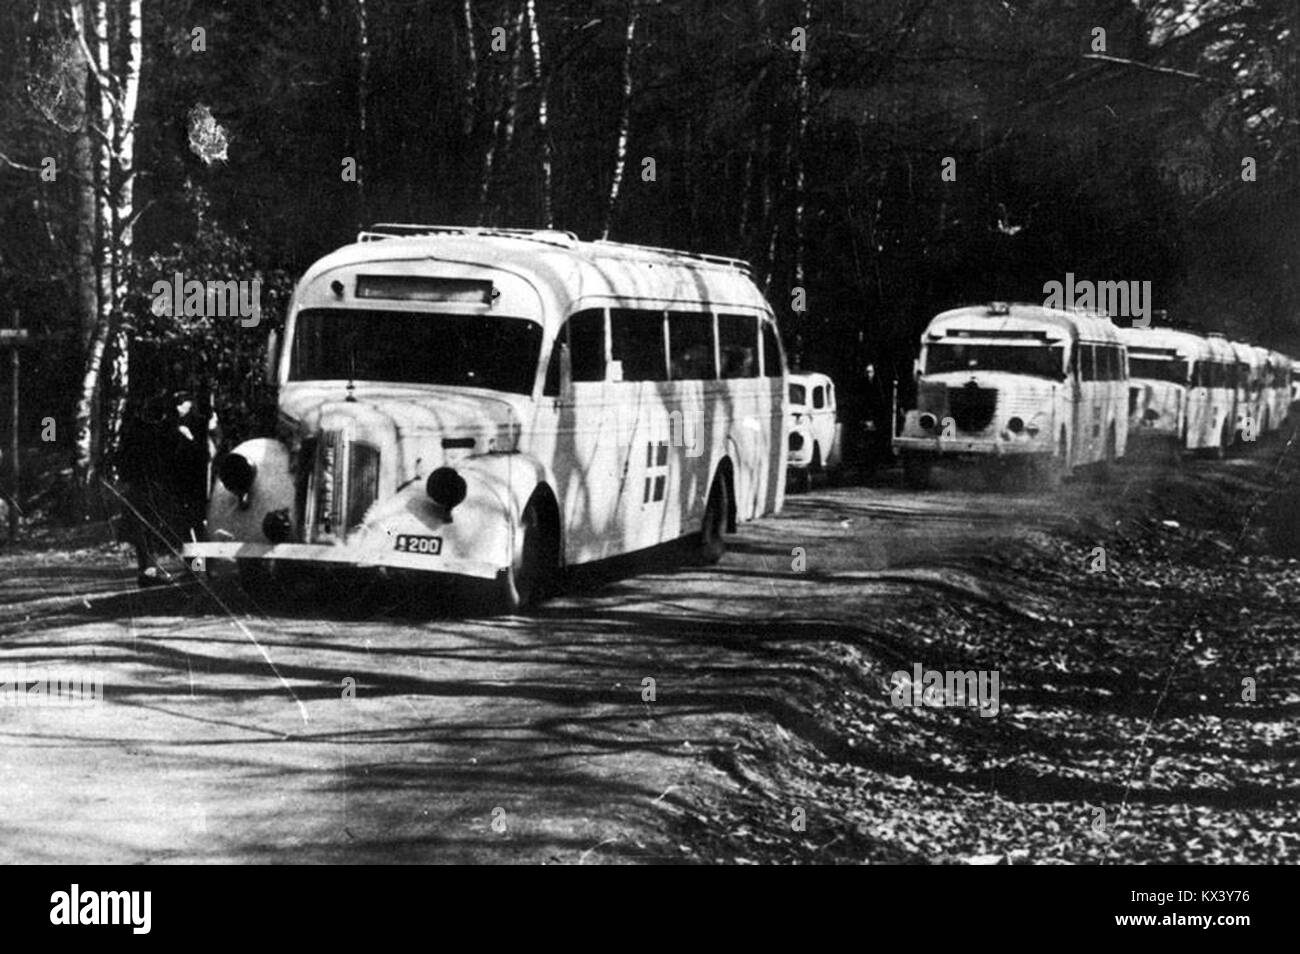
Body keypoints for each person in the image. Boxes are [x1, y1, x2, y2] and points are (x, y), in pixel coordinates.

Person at [117, 389, 211, 586]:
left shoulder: (137, 430)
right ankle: (194, 571)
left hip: (160, 486)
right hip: (174, 486)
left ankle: (153, 571)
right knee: (188, 530)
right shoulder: (171, 429)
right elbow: (193, 456)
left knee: (155, 530)